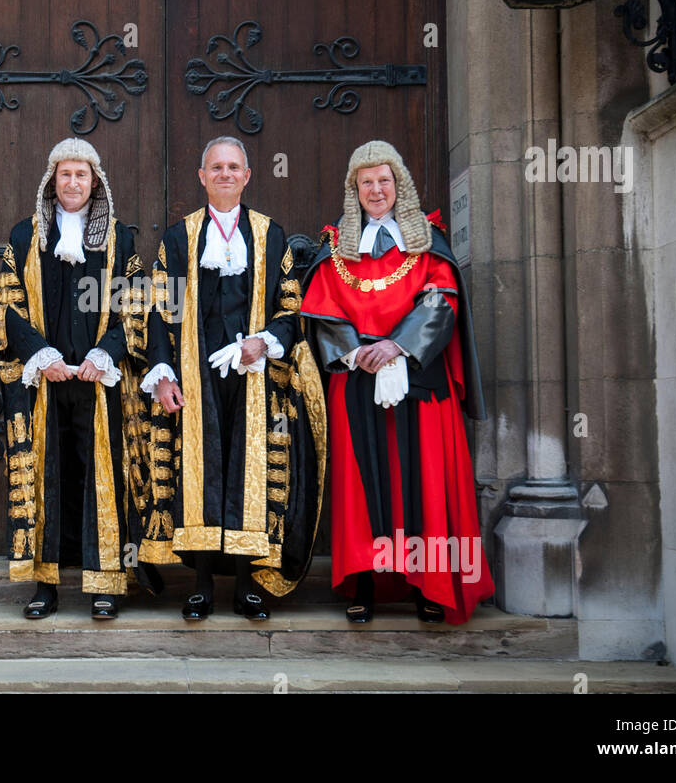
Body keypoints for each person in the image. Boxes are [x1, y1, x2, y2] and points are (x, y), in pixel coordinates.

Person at [300, 140, 492, 625]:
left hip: (419, 377)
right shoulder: (335, 245)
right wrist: (359, 352)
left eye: (384, 180)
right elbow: (322, 307)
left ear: (398, 184)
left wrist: (398, 347)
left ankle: (428, 584)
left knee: (423, 480)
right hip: (356, 377)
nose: (376, 190)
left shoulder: (428, 239)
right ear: (354, 190)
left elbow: (442, 299)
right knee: (359, 486)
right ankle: (363, 582)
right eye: (366, 182)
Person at [139, 136, 325, 620]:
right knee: (201, 475)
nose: (225, 174)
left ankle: (246, 586)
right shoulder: (178, 238)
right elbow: (158, 309)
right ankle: (200, 586)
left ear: (247, 176)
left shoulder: (271, 235)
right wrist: (163, 375)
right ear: (202, 177)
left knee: (248, 475)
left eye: (233, 167)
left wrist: (261, 343)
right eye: (216, 167)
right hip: (193, 375)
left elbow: (291, 309)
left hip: (254, 375)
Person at [0, 137, 157, 620]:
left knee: (100, 478)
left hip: (98, 383)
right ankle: (45, 585)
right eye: (64, 174)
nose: (72, 182)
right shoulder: (25, 236)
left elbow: (136, 303)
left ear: (95, 182)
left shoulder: (119, 239)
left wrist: (106, 354)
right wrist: (40, 355)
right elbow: (7, 305)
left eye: (81, 175)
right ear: (52, 180)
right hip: (44, 382)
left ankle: (106, 583)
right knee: (48, 479)